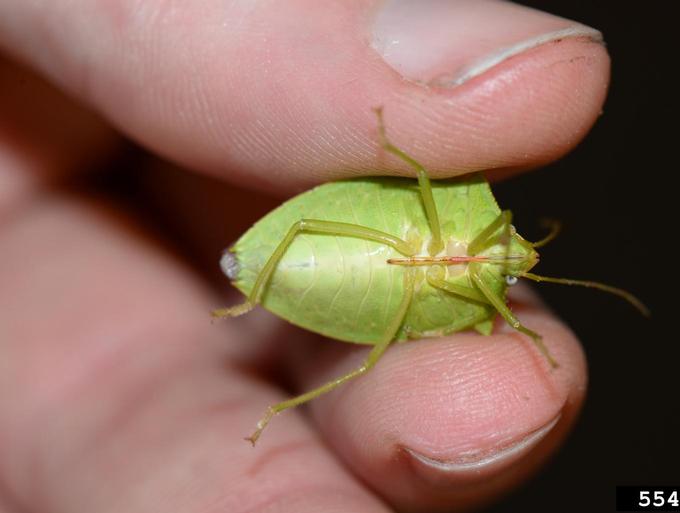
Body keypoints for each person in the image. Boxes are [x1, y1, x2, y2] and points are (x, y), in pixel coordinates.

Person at [0, 1, 607, 511]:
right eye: (524, 250)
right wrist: (396, 143)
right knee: (353, 292)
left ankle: (274, 393)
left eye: (520, 262)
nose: (517, 258)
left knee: (382, 372)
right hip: (355, 239)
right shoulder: (481, 220)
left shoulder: (478, 299)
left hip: (390, 288)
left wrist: (519, 324)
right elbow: (435, 180)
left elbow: (498, 304)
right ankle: (251, 301)